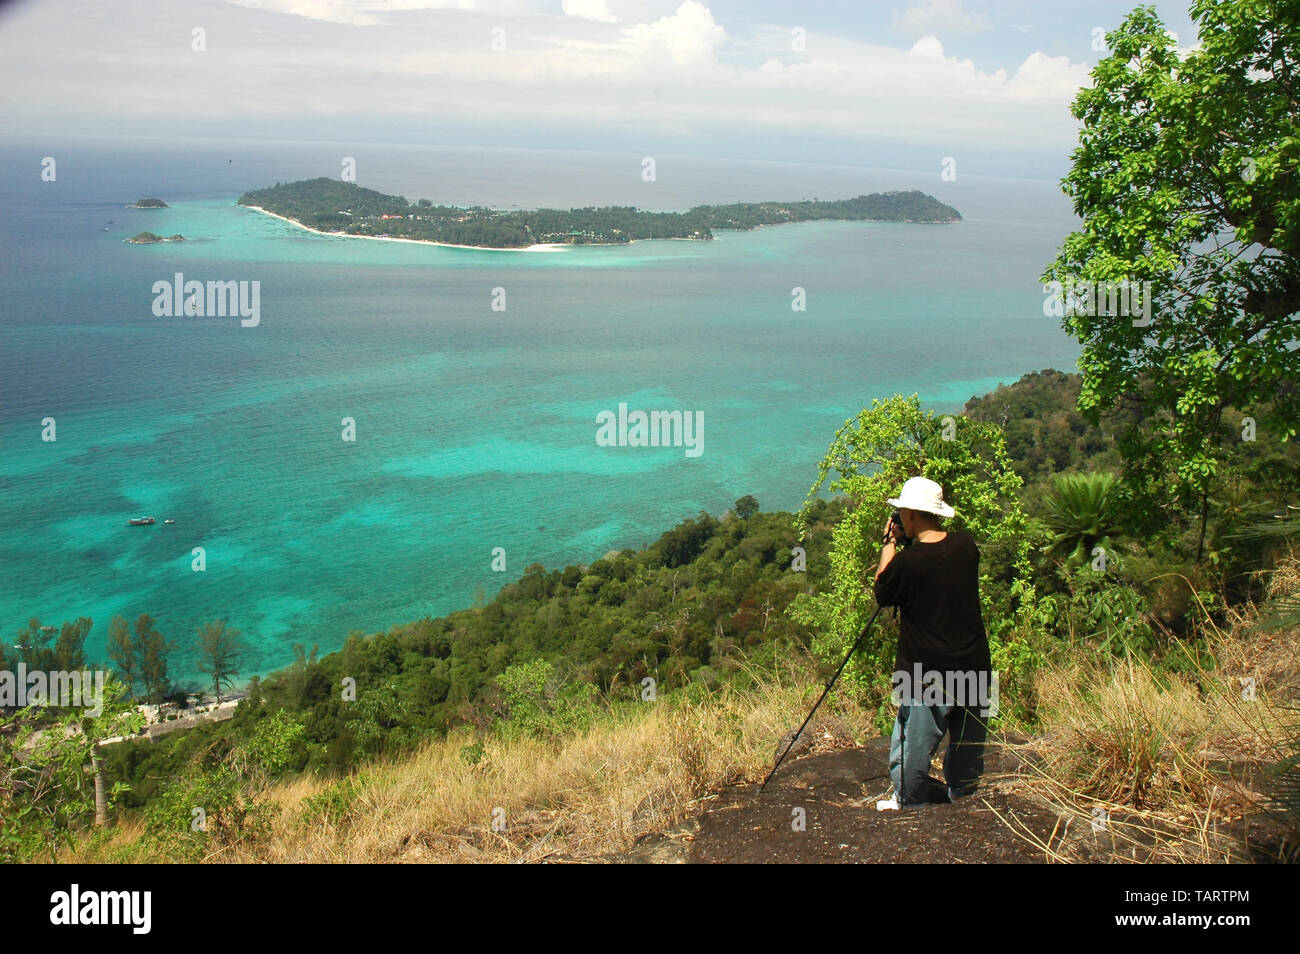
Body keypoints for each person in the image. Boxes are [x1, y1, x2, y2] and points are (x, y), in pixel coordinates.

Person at [872, 476, 991, 810]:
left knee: (912, 751)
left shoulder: (907, 564)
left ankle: (910, 801)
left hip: (925, 674)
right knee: (968, 747)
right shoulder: (967, 546)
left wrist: (889, 543)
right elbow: (938, 566)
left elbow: (883, 592)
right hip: (974, 664)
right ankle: (962, 794)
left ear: (909, 514)